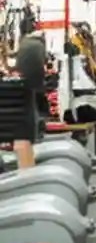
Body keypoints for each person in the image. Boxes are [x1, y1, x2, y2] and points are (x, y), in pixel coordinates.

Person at [12, 34, 47, 169]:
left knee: (29, 106)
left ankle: (36, 130)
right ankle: (37, 131)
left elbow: (17, 63)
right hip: (35, 81)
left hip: (22, 80)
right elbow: (42, 63)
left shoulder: (24, 43)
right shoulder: (39, 46)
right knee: (34, 106)